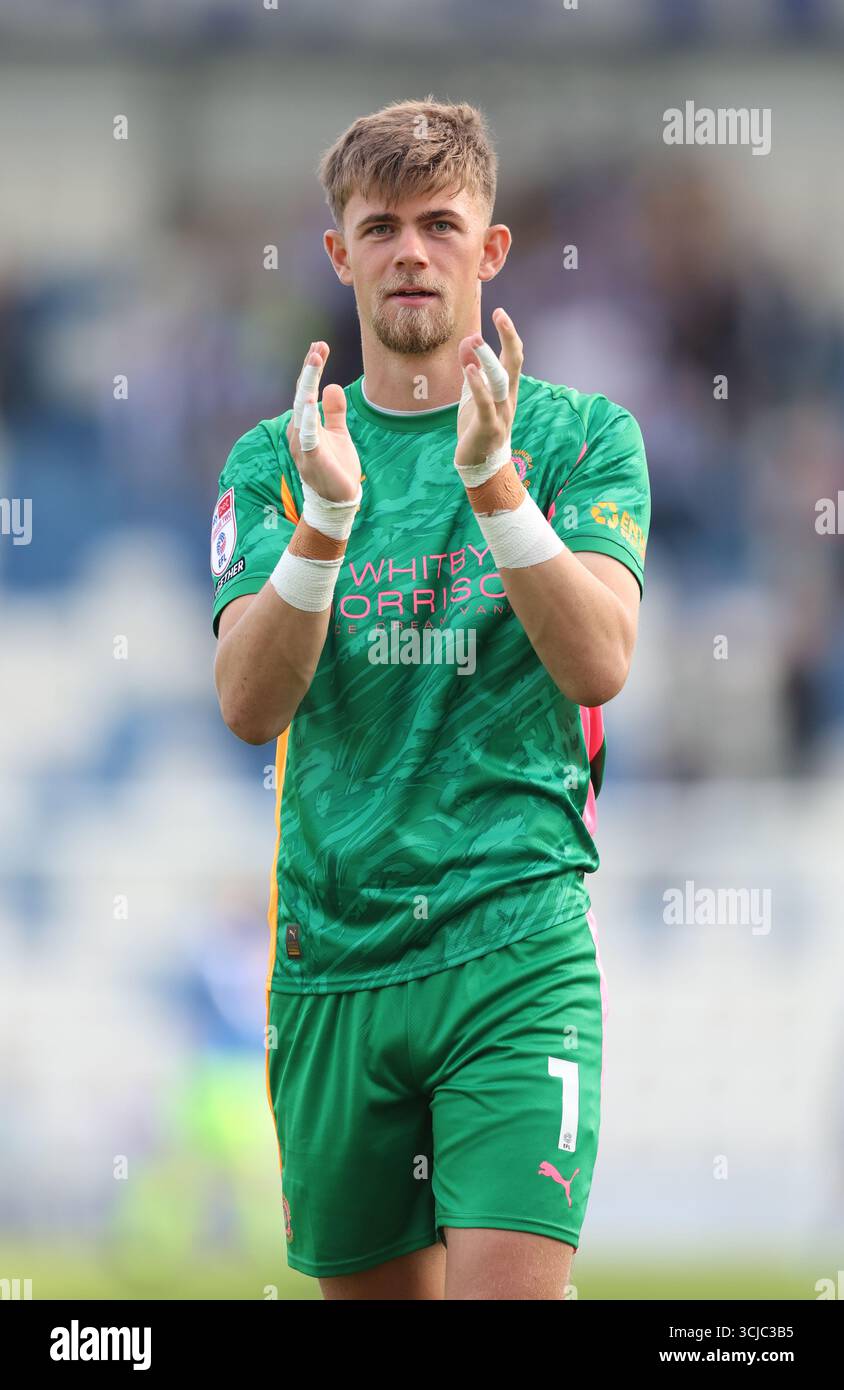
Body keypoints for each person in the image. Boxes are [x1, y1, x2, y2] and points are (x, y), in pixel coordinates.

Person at [210, 97, 650, 1300]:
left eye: (442, 223)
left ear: (490, 248)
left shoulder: (580, 439)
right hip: (333, 959)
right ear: (339, 253)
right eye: (383, 225)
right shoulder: (273, 459)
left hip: (513, 941)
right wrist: (327, 523)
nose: (413, 250)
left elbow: (600, 661)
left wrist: (495, 488)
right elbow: (249, 704)